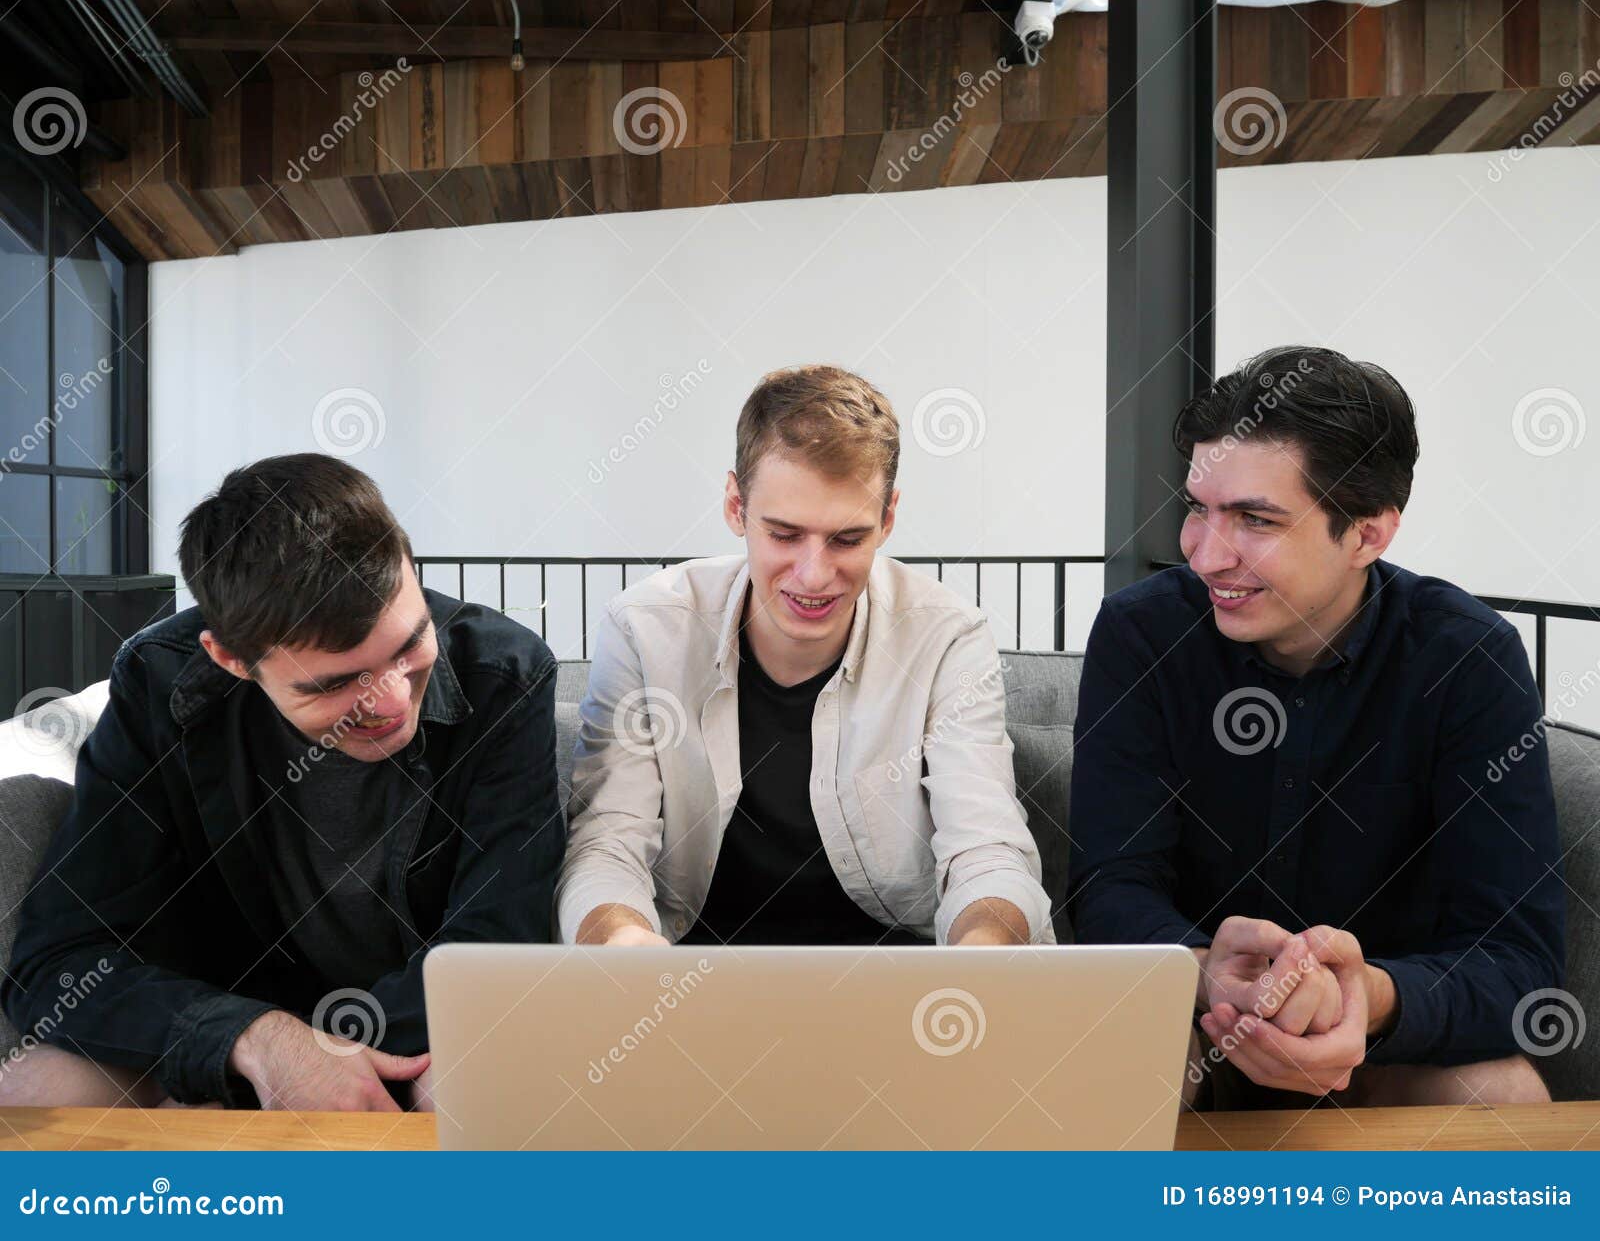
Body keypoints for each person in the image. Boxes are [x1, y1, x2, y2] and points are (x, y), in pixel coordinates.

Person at [1068, 346, 1563, 1109]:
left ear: (1368, 534)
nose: (1203, 554)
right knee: (1126, 1078)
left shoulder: (1467, 657)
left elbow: (1516, 956)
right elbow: (1109, 886)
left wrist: (1367, 995)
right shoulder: (1142, 632)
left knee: (1506, 1097)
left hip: (1382, 1041)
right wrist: (1202, 968)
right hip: (1194, 1023)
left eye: (1255, 520)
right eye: (1198, 508)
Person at [1, 454, 564, 1112]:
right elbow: (60, 958)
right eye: (332, 684)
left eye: (406, 647)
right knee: (40, 1091)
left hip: (417, 1031)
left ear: (411, 568)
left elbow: (497, 949)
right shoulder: (159, 681)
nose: (386, 701)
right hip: (219, 1025)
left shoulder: (506, 674)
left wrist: (325, 1055)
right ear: (231, 659)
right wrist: (253, 1040)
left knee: (475, 1090)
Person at [557, 365, 1051, 948]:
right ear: (736, 507)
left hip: (898, 986)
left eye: (847, 539)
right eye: (785, 535)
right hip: (687, 986)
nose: (815, 576)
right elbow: (607, 843)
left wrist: (982, 956)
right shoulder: (644, 629)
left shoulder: (947, 638)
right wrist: (625, 953)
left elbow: (985, 846)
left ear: (888, 518)